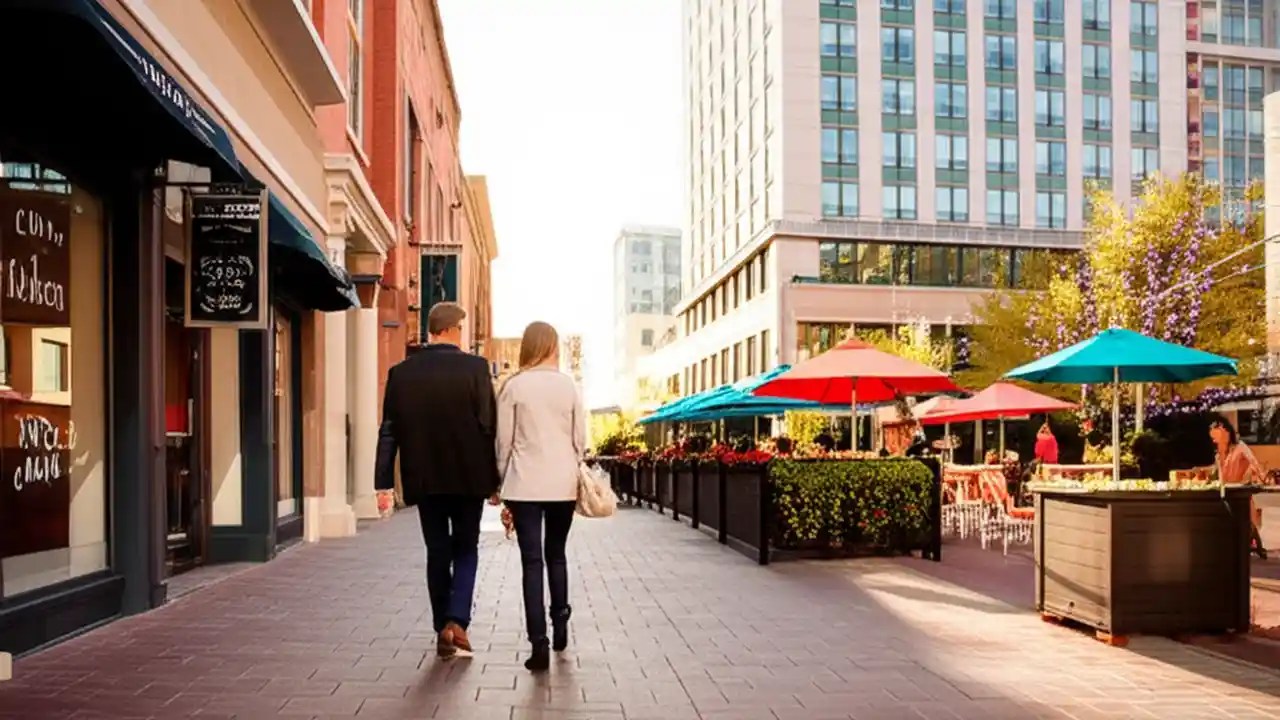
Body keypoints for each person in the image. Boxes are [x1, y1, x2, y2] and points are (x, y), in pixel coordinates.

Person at [374, 302, 501, 660]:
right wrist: (495, 481)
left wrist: (382, 483)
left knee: (437, 551)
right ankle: (456, 621)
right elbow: (488, 426)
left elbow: (388, 433)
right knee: (465, 550)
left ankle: (442, 627)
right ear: (453, 328)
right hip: (468, 478)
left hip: (424, 479)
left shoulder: (401, 374)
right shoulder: (476, 370)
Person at [495, 321, 587, 673]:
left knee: (532, 562)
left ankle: (539, 644)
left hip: (525, 484)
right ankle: (560, 621)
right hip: (562, 483)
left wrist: (501, 479)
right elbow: (580, 439)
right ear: (554, 347)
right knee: (557, 554)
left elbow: (504, 442)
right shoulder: (569, 386)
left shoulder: (514, 387)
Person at [1208, 415, 1268, 559]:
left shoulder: (1240, 448)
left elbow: (1254, 464)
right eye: (1214, 439)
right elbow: (1216, 475)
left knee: (1246, 521)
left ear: (1227, 433)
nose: (1216, 442)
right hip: (1224, 494)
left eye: (1218, 437)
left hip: (1239, 493)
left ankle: (1253, 546)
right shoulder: (1218, 455)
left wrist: (1259, 477)